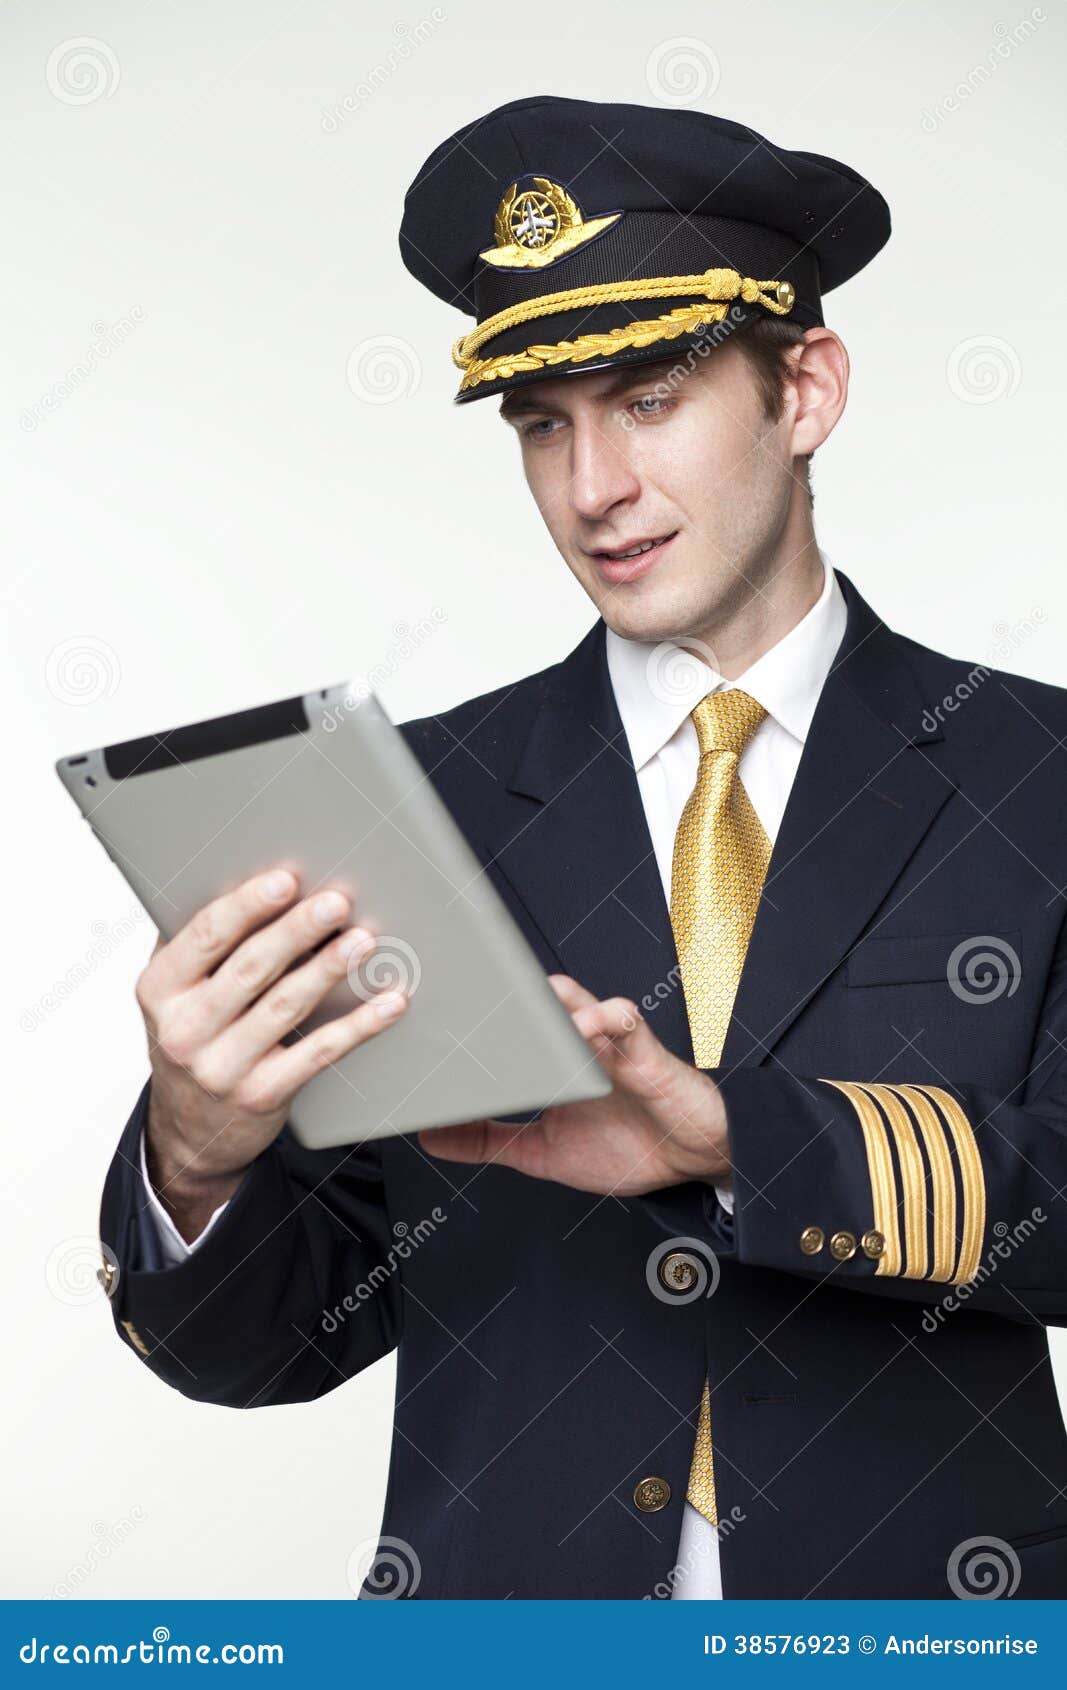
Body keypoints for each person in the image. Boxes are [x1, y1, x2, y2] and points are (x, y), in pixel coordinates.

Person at [97, 96, 1067, 1600]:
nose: (592, 488)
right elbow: (272, 1344)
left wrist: (737, 1137)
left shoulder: (1041, 771)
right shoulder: (422, 799)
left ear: (804, 387)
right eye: (545, 423)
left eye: (652, 397)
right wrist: (198, 1153)